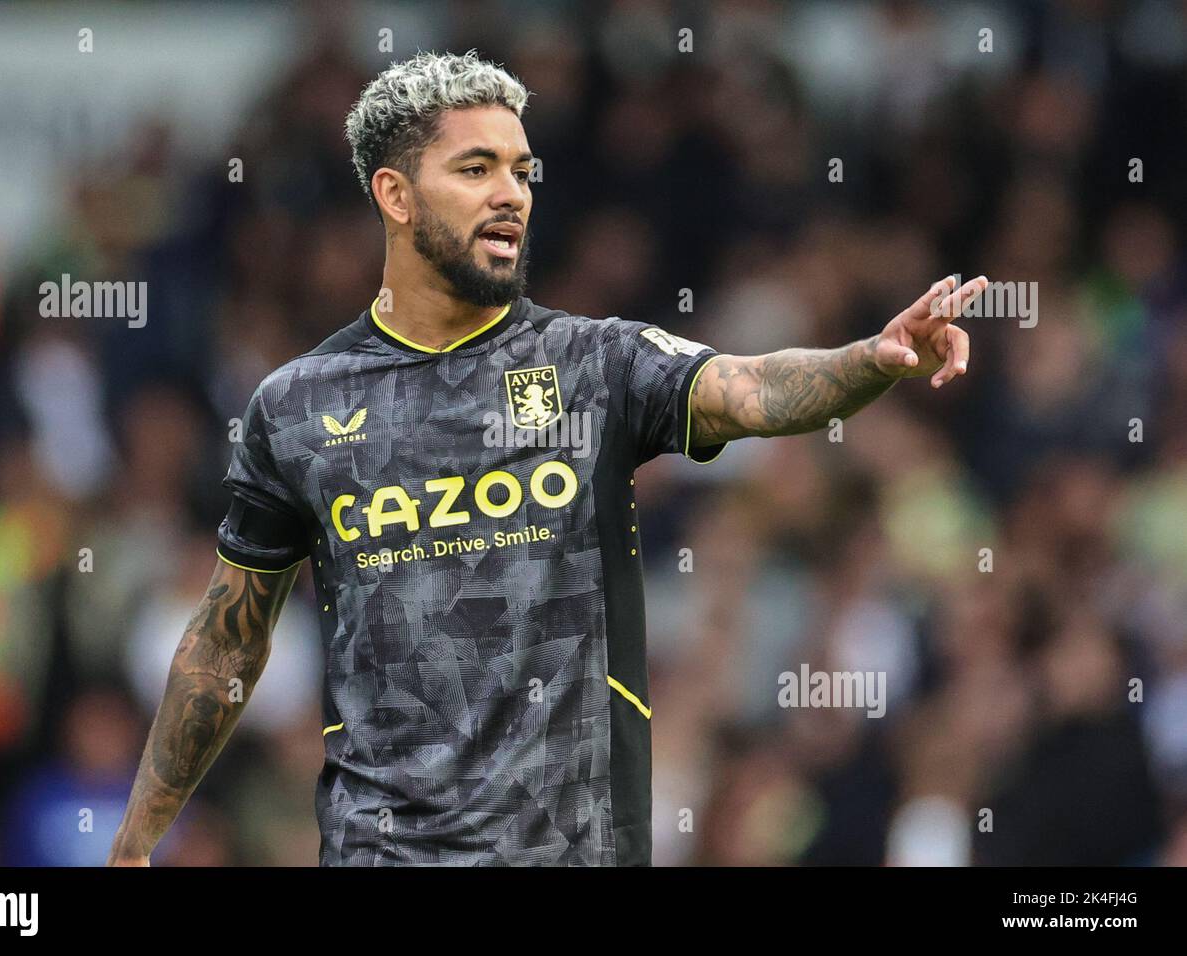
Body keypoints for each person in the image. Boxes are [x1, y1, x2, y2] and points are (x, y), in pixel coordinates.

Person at [108, 50, 983, 867]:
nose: (512, 194)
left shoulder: (595, 365)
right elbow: (226, 643)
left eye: (523, 171)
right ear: (395, 195)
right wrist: (137, 840)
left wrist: (866, 359)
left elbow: (751, 388)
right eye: (475, 168)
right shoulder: (296, 407)